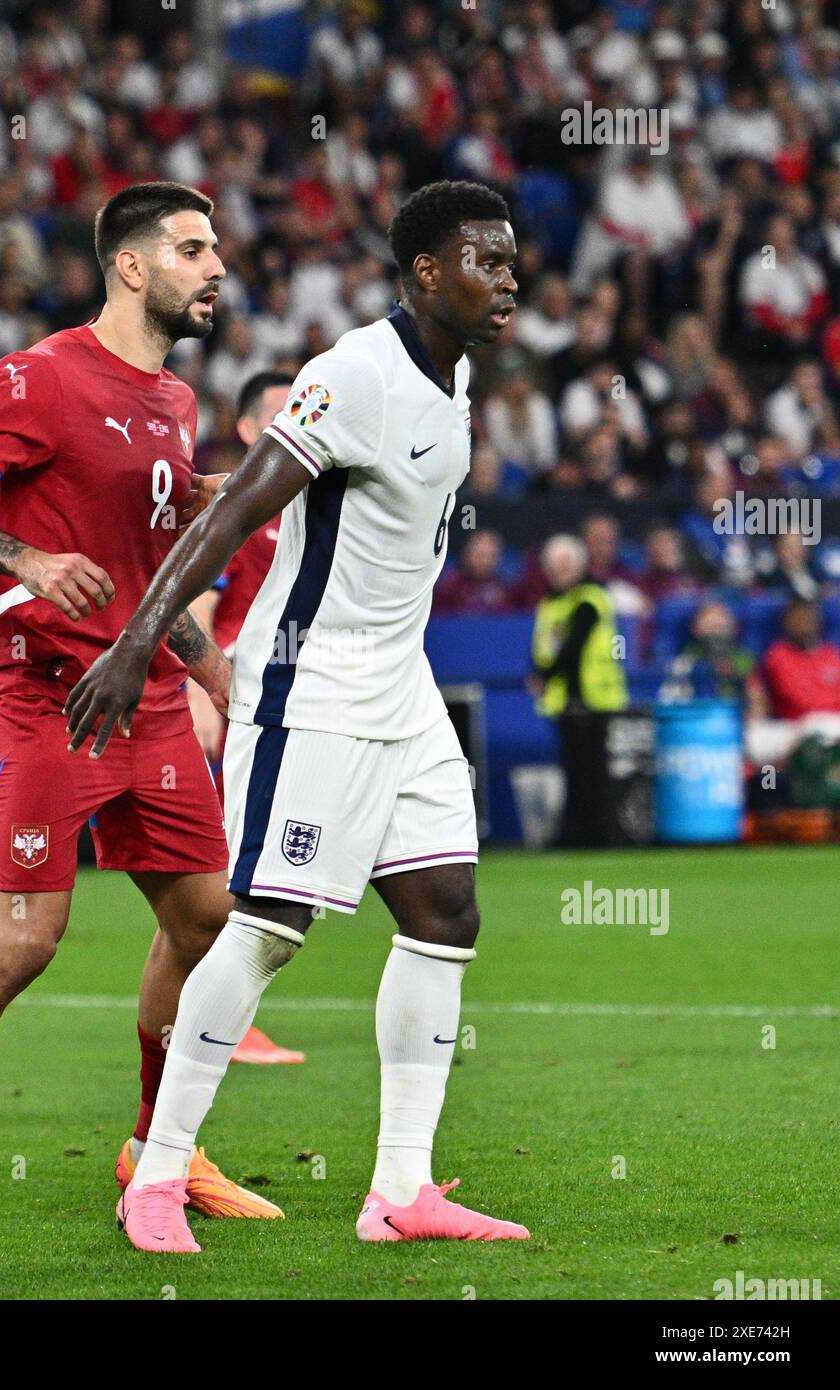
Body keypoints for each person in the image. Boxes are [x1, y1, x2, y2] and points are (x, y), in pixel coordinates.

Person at [65, 179, 531, 1252]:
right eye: (485, 260)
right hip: (310, 685)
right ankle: (160, 1174)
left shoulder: (450, 377)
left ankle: (399, 1192)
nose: (506, 278)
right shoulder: (355, 374)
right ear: (425, 272)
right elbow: (238, 510)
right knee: (270, 928)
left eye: (509, 260)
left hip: (399, 685)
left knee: (445, 911)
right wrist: (140, 640)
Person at [0, 182, 283, 1245]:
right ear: (130, 266)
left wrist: (206, 662)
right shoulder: (39, 377)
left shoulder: (175, 400)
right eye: (190, 247)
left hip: (150, 697)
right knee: (26, 937)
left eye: (215, 246)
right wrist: (25, 555)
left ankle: (156, 1149)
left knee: (206, 919)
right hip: (45, 695)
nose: (214, 265)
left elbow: (152, 567)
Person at [185, 369, 307, 1067]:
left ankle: (222, 1020)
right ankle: (225, 1026)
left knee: (263, 867)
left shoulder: (297, 500)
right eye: (281, 409)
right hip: (236, 693)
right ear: (245, 427)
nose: (297, 417)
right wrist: (199, 693)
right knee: (237, 868)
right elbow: (201, 598)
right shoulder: (240, 501)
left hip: (284, 699)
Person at [530, 534, 629, 848]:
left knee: (593, 773)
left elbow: (572, 648)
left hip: (593, 698)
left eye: (565, 564)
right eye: (553, 565)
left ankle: (598, 836)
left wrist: (543, 673)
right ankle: (579, 834)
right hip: (566, 699)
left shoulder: (589, 598)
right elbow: (546, 645)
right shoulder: (551, 602)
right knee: (575, 771)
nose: (559, 571)